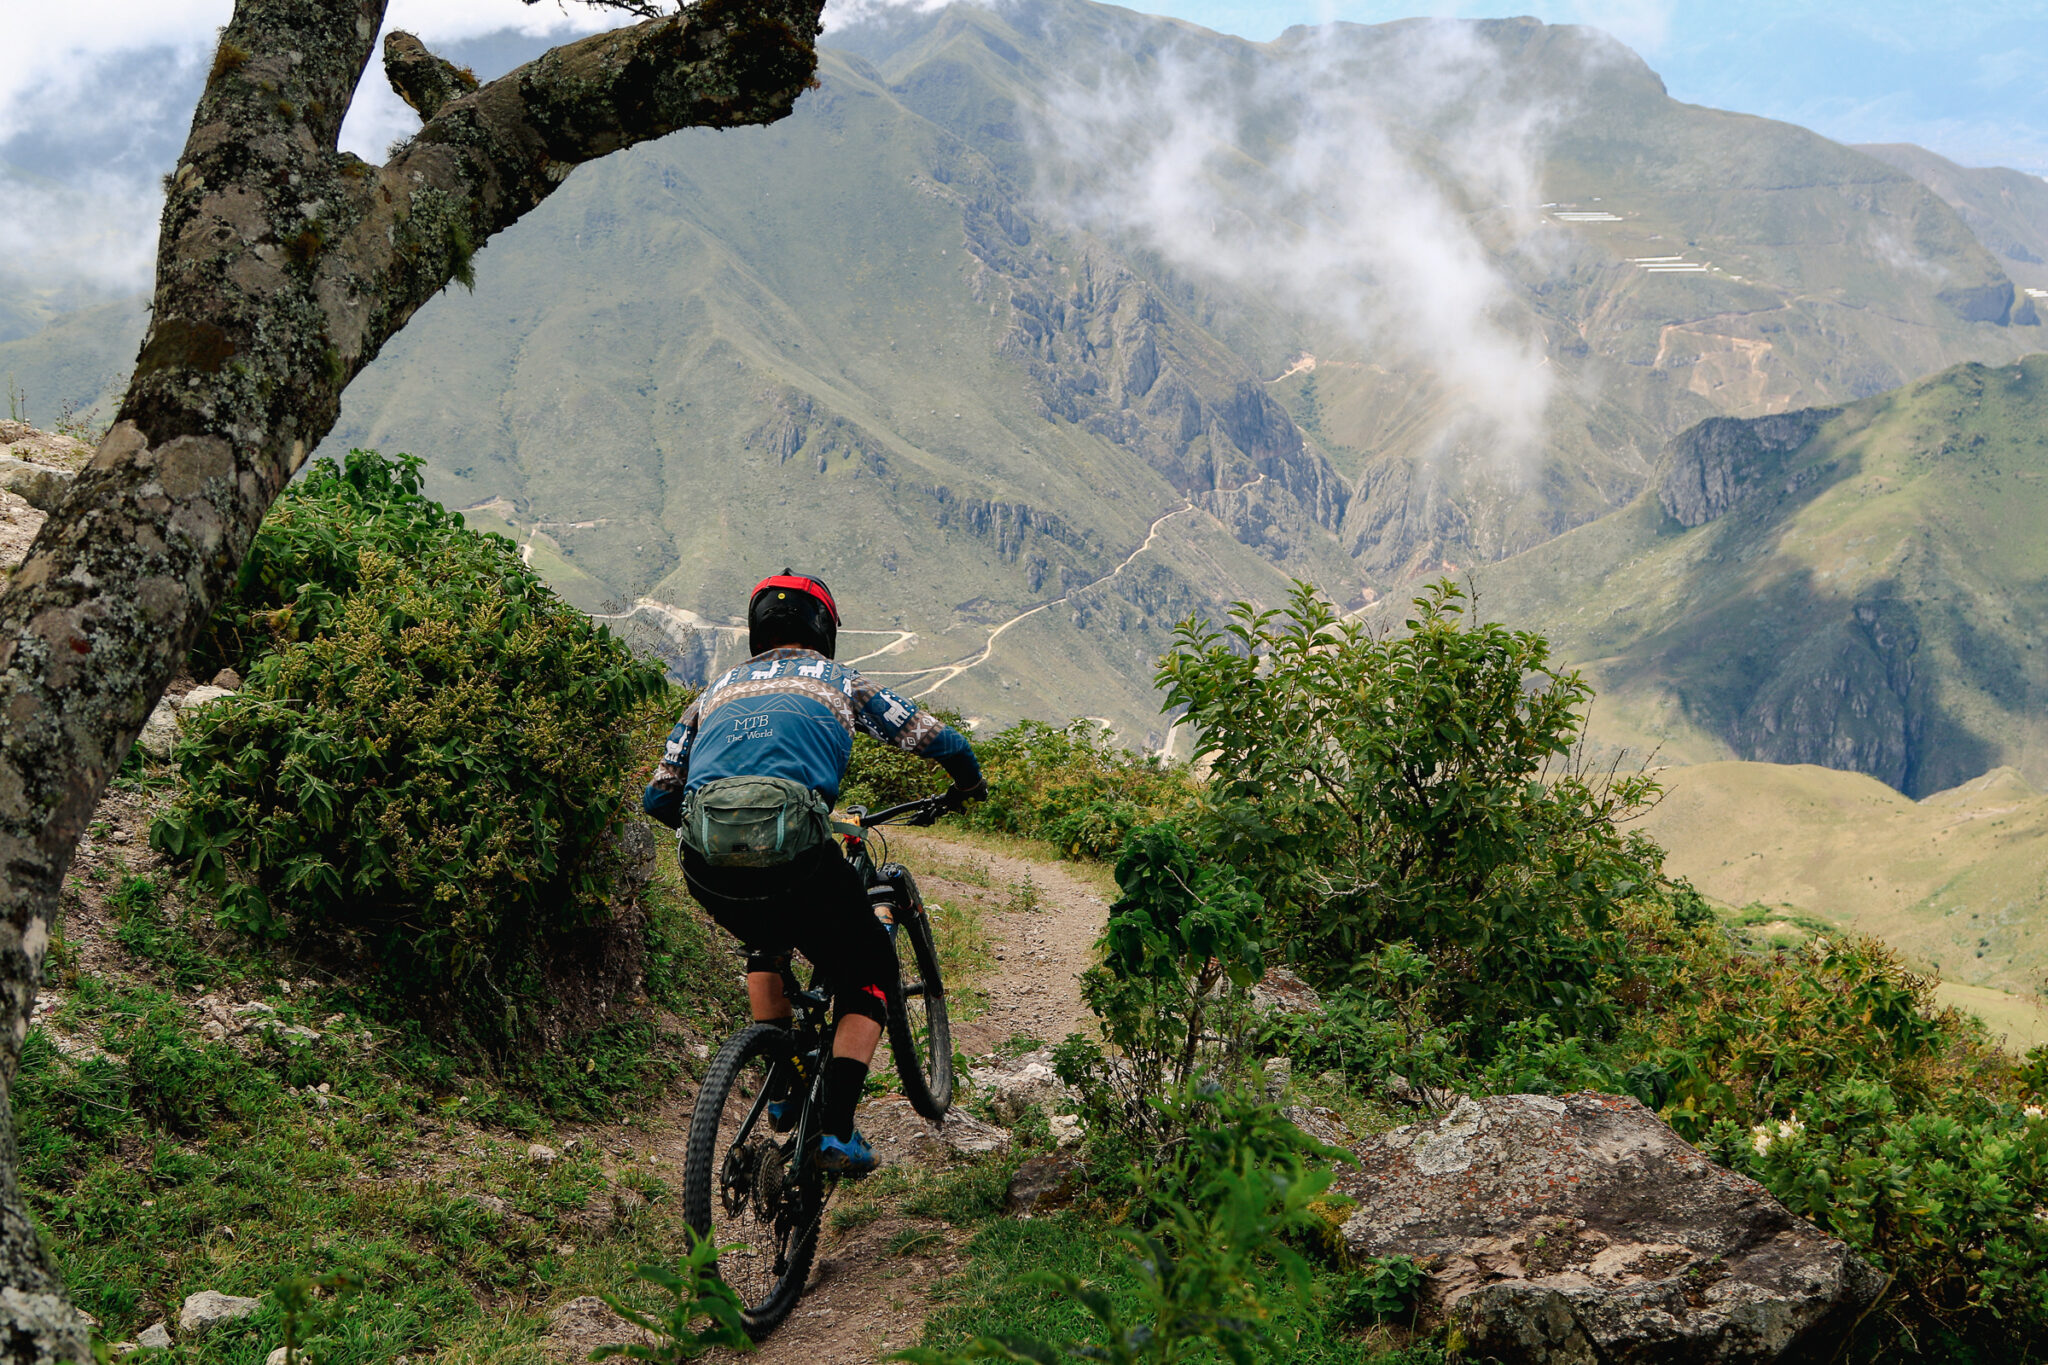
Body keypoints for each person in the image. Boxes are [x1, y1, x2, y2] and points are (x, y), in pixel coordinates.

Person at [642, 570, 984, 1175]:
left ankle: (779, 1089)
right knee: (871, 970)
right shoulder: (841, 680)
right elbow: (936, 740)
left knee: (765, 942)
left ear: (757, 630)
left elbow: (659, 801)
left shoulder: (713, 693)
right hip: (800, 859)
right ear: (824, 628)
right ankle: (835, 1131)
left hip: (706, 868)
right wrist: (968, 782)